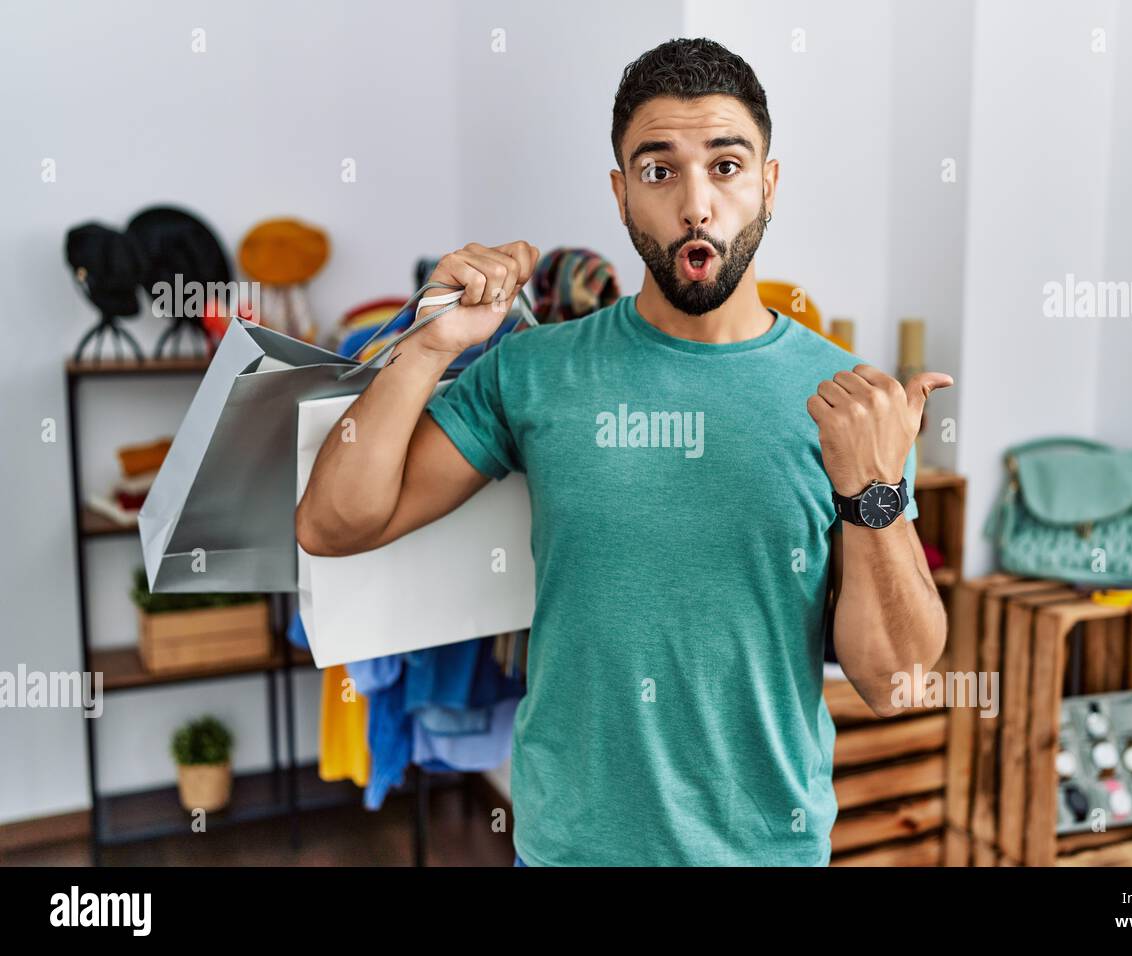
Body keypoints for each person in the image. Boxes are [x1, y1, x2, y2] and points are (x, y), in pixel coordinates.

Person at [296, 37, 952, 867]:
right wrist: (429, 346)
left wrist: (874, 493)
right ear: (620, 194)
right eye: (658, 170)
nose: (695, 205)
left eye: (725, 165)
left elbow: (895, 684)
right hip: (570, 849)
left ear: (769, 184)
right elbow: (333, 524)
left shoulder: (849, 399)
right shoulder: (535, 371)